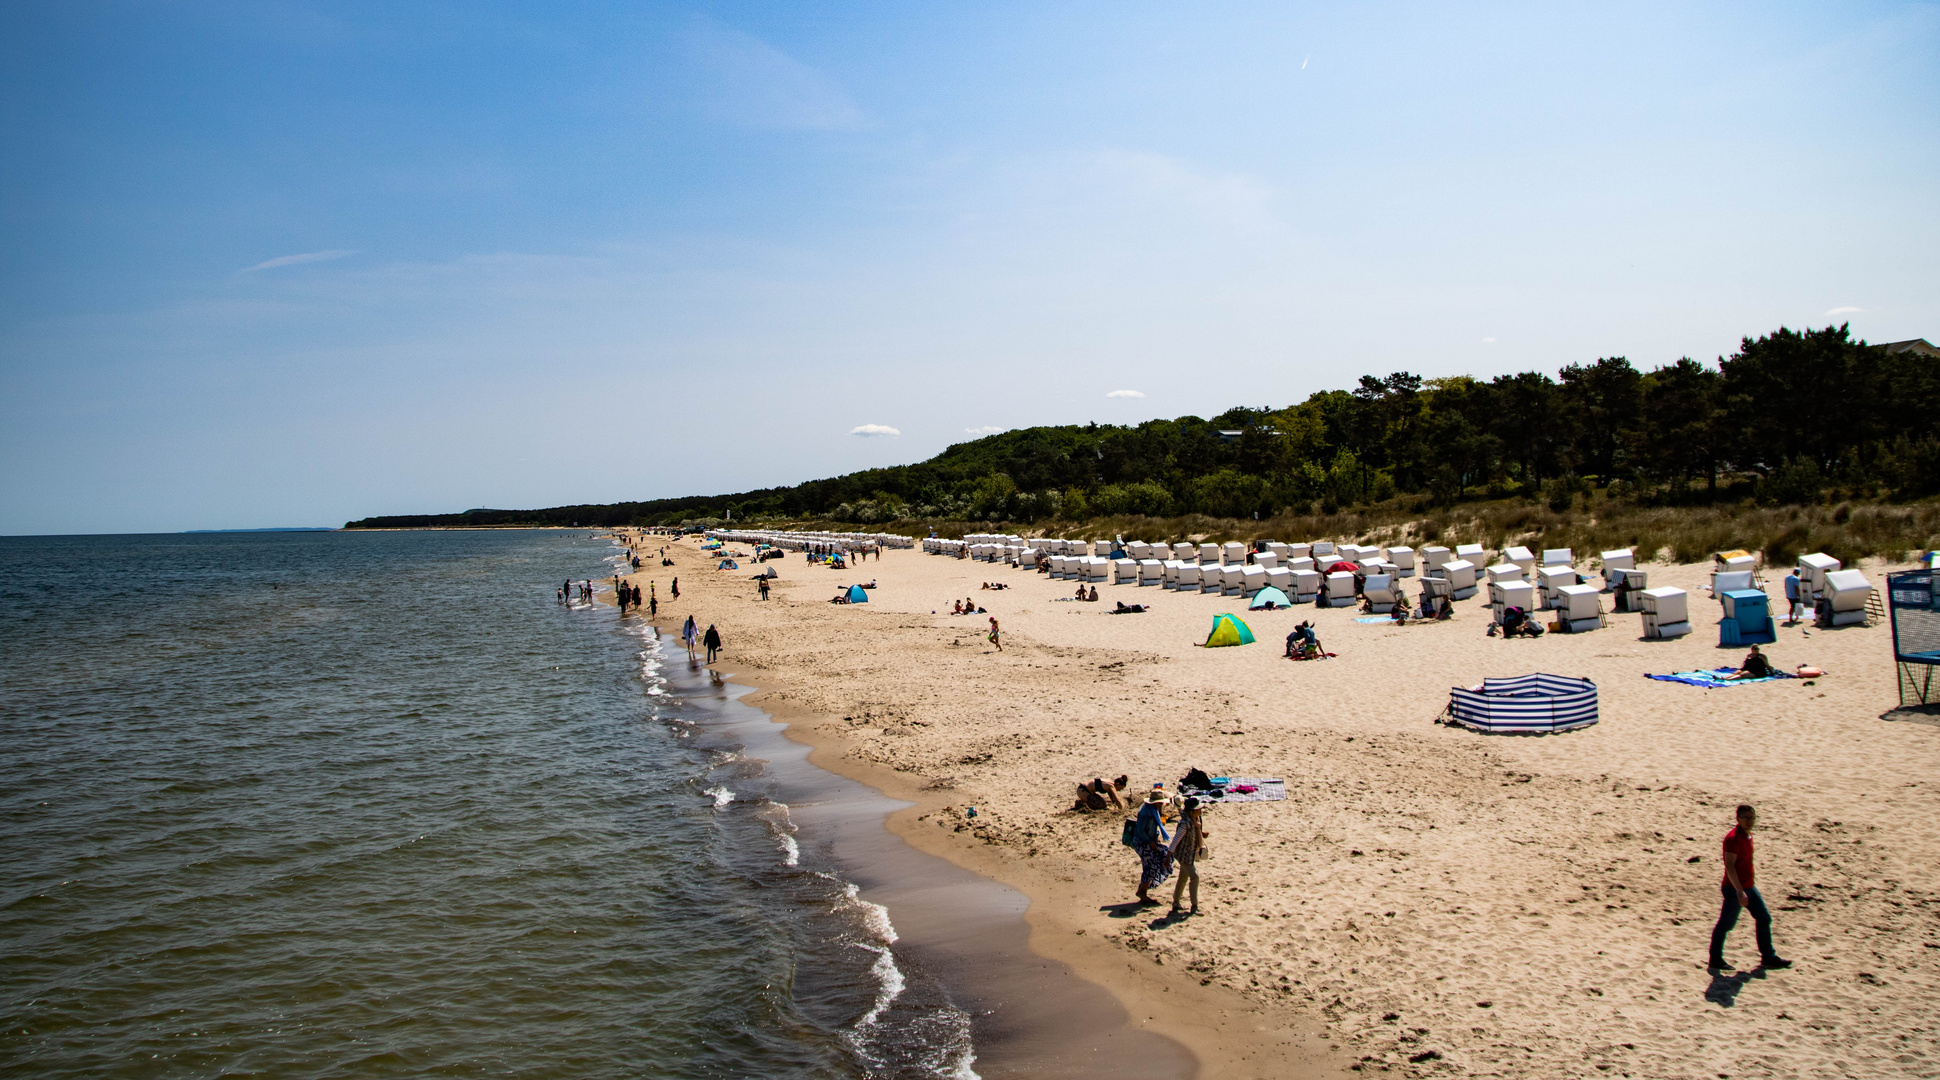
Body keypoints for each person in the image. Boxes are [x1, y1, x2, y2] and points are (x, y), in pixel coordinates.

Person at [1709, 804, 1791, 971]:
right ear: (1737, 818)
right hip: (1734, 889)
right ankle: (1715, 959)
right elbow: (1730, 867)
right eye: (1745, 817)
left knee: (1764, 918)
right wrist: (1739, 891)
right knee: (1725, 925)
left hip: (1749, 887)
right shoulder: (1733, 839)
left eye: (1752, 817)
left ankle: (1768, 957)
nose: (1749, 821)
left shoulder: (1748, 836)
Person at [1169, 796, 1209, 916]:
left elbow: (1195, 833)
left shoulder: (1194, 821)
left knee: (1183, 877)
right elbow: (1175, 841)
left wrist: (1201, 833)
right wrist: (1168, 857)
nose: (1200, 812)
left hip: (1190, 854)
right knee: (1195, 877)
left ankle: (1176, 902)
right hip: (1184, 856)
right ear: (1191, 811)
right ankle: (1194, 906)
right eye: (1198, 810)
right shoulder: (1184, 824)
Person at [1131, 788, 1172, 904]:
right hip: (1143, 843)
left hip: (1149, 841)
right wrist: (1151, 843)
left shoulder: (1154, 810)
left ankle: (1142, 890)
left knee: (1153, 864)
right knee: (1151, 866)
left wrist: (1155, 837)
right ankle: (1142, 891)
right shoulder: (1145, 812)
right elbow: (1140, 831)